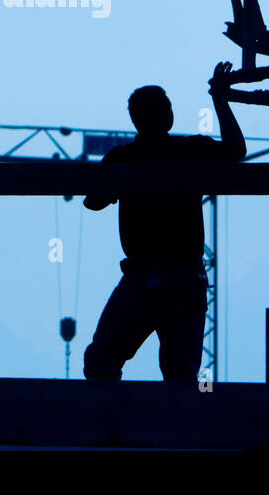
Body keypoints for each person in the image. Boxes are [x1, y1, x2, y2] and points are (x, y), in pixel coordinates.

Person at [82, 62, 245, 382]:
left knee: (102, 360)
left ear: (136, 119)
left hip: (143, 277)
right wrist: (220, 99)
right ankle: (177, 428)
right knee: (181, 376)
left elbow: (93, 202)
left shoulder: (123, 158)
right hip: (185, 279)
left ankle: (111, 426)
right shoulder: (190, 151)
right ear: (165, 115)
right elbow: (236, 151)